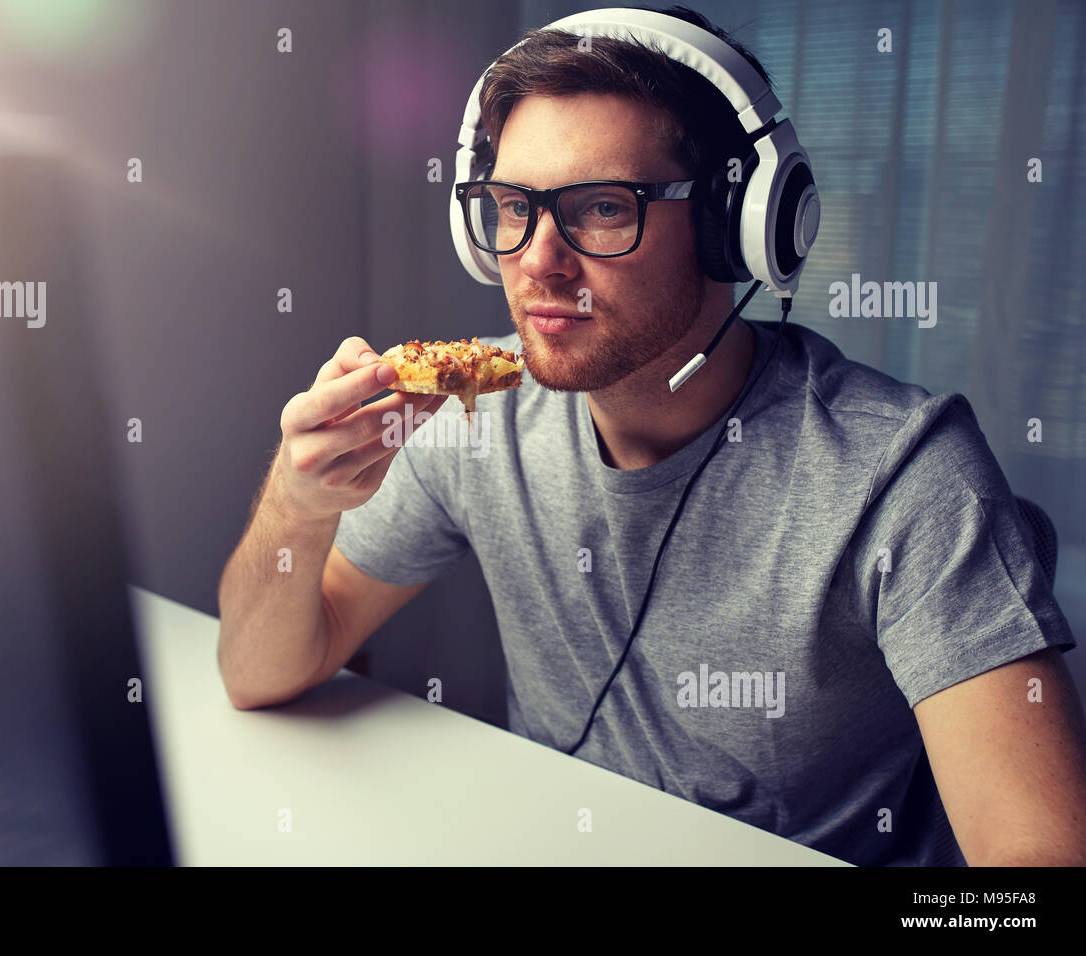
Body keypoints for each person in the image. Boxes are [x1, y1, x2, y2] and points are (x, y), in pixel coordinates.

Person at [218, 5, 1086, 866]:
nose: (537, 260)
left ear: (735, 226)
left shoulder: (907, 477)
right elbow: (260, 671)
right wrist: (297, 508)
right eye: (512, 206)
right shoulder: (469, 417)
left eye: (602, 207)